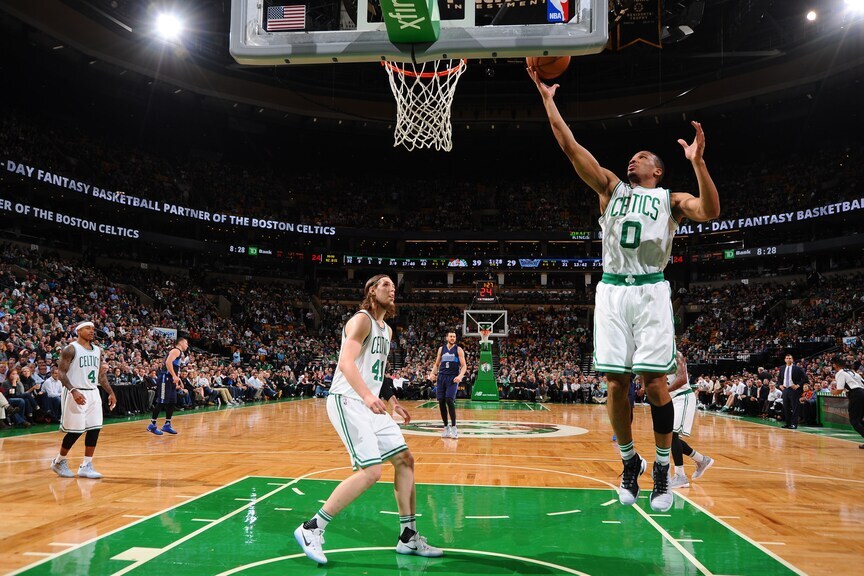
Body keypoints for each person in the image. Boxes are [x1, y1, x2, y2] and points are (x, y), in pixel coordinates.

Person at [529, 66, 720, 513]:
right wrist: (548, 100)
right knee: (616, 383)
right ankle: (629, 462)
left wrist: (698, 163)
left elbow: (710, 211)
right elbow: (570, 147)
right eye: (631, 157)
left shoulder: (671, 198)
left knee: (655, 385)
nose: (632, 160)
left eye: (641, 157)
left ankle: (660, 471)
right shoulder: (611, 187)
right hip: (613, 289)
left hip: (652, 290)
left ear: (657, 169)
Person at [294, 274, 443, 565]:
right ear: (372, 291)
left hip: (371, 403)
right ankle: (312, 528)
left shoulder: (386, 330)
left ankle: (408, 536)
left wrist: (392, 401)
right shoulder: (361, 320)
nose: (392, 289)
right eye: (386, 284)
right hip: (348, 400)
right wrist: (366, 396)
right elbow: (346, 362)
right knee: (372, 472)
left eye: (394, 286)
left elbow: (377, 372)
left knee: (405, 460)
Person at [49, 322, 117, 479]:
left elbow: (100, 375)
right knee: (76, 430)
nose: (92, 331)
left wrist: (111, 392)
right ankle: (59, 461)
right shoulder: (71, 349)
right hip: (76, 391)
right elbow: (61, 373)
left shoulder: (97, 350)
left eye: (93, 329)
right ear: (78, 331)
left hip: (93, 392)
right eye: (88, 328)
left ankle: (86, 465)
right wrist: (73, 391)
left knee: (94, 428)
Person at [667, 351, 714, 488]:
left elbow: (681, 379)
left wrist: (664, 390)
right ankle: (701, 460)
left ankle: (681, 476)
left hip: (683, 397)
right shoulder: (656, 355)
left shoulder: (676, 355)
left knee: (672, 435)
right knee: (670, 437)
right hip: (672, 399)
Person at [428, 331, 467, 439]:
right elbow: (437, 364)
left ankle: (454, 427)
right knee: (441, 401)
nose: (453, 338)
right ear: (447, 338)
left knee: (449, 400)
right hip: (441, 377)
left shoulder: (458, 349)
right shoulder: (441, 349)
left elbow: (464, 366)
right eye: (451, 336)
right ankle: (446, 427)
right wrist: (432, 373)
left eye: (454, 336)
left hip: (452, 378)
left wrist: (460, 376)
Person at [147, 337, 189, 435]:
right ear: (181, 343)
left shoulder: (179, 353)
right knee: (161, 401)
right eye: (186, 343)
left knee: (172, 402)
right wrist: (174, 376)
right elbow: (168, 362)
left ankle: (167, 424)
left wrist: (177, 378)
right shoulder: (176, 350)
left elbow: (175, 367)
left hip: (171, 379)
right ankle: (152, 425)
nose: (187, 346)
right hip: (165, 378)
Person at [830, 355, 864, 448]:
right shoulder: (852, 372)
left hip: (856, 395)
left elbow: (839, 390)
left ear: (836, 365)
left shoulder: (840, 373)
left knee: (855, 421)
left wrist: (833, 392)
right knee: (860, 420)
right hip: (862, 392)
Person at [779, 354, 806, 429]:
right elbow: (779, 378)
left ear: (792, 360)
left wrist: (798, 385)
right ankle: (788, 423)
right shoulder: (782, 368)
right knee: (786, 407)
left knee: (795, 407)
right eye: (787, 358)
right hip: (785, 390)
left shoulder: (797, 368)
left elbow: (805, 378)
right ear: (785, 360)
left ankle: (794, 424)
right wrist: (780, 385)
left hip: (794, 390)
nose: (788, 359)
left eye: (790, 358)